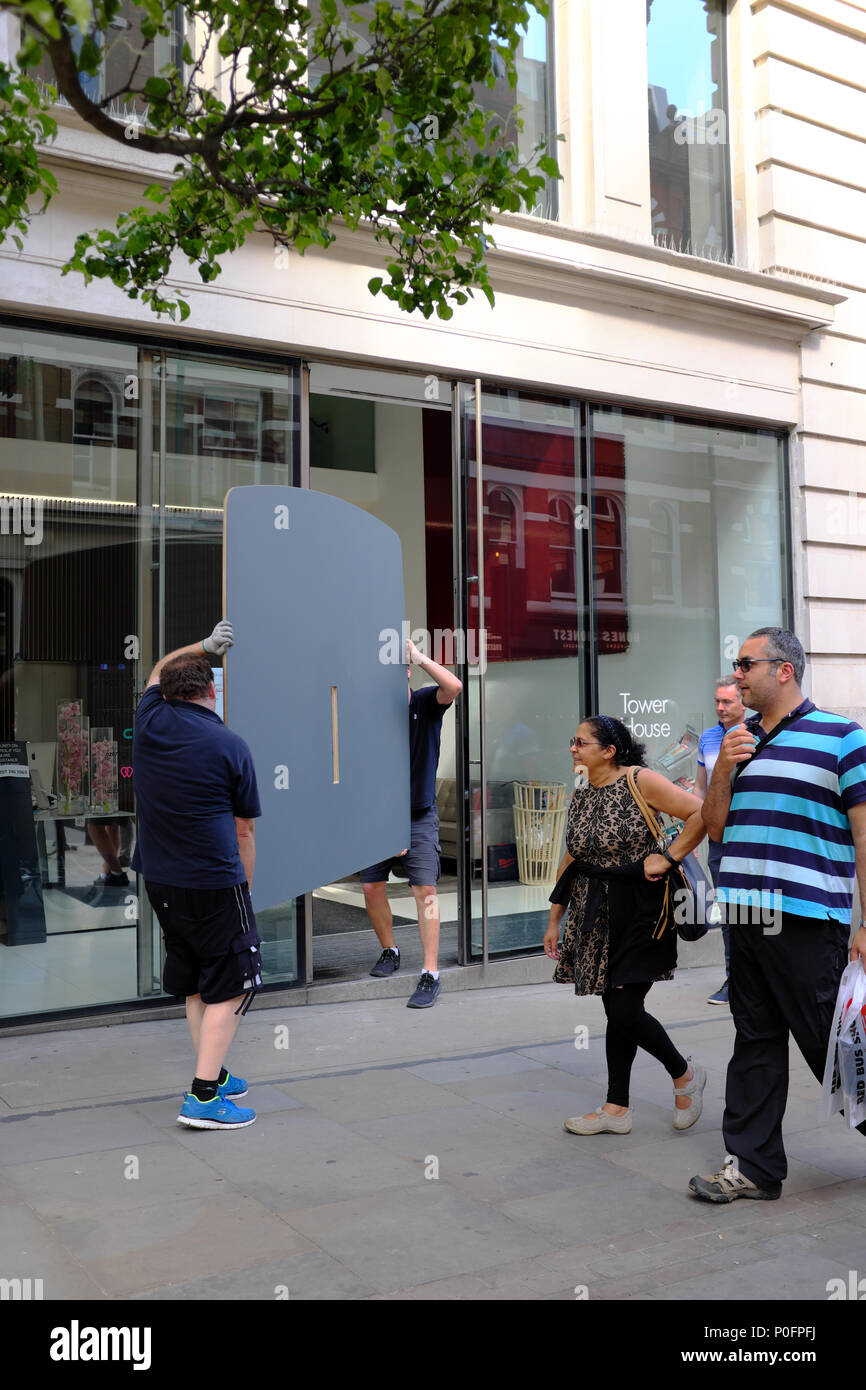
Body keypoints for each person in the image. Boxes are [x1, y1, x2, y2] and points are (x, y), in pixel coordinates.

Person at [690, 626, 866, 1202]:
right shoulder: (736, 743)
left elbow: (865, 839)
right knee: (754, 1040)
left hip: (809, 917)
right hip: (744, 917)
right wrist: (722, 773)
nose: (736, 675)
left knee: (831, 1043)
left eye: (746, 664)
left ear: (784, 670)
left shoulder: (842, 738)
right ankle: (754, 1167)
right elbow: (714, 829)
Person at [544, 714, 708, 1134]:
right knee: (617, 1008)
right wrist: (555, 917)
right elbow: (573, 852)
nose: (572, 749)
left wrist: (667, 857)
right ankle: (616, 1109)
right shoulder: (582, 786)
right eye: (572, 740)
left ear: (609, 751)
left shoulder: (640, 780)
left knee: (622, 1007)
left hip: (642, 909)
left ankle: (684, 1074)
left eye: (580, 742)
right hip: (593, 909)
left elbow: (700, 814)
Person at [132, 619, 263, 1131]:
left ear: (165, 693)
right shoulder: (230, 745)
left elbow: (158, 667)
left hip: (160, 878)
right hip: (213, 880)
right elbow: (244, 831)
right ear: (213, 692)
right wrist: (244, 891)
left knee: (196, 982)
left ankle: (215, 1071)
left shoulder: (148, 721)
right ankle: (204, 1098)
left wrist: (203, 645)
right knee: (233, 983)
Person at [361, 637, 462, 1008]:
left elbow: (453, 686)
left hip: (418, 814)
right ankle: (390, 950)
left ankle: (430, 972)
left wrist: (418, 656)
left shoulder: (424, 703)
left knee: (425, 891)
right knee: (371, 886)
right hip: (377, 816)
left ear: (406, 676)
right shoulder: (370, 714)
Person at [694, 677, 747, 1005]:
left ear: (743, 702)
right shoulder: (709, 738)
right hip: (719, 839)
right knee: (729, 912)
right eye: (717, 701)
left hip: (752, 838)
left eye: (727, 702)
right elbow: (701, 789)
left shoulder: (755, 735)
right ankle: (734, 980)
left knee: (758, 912)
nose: (720, 708)